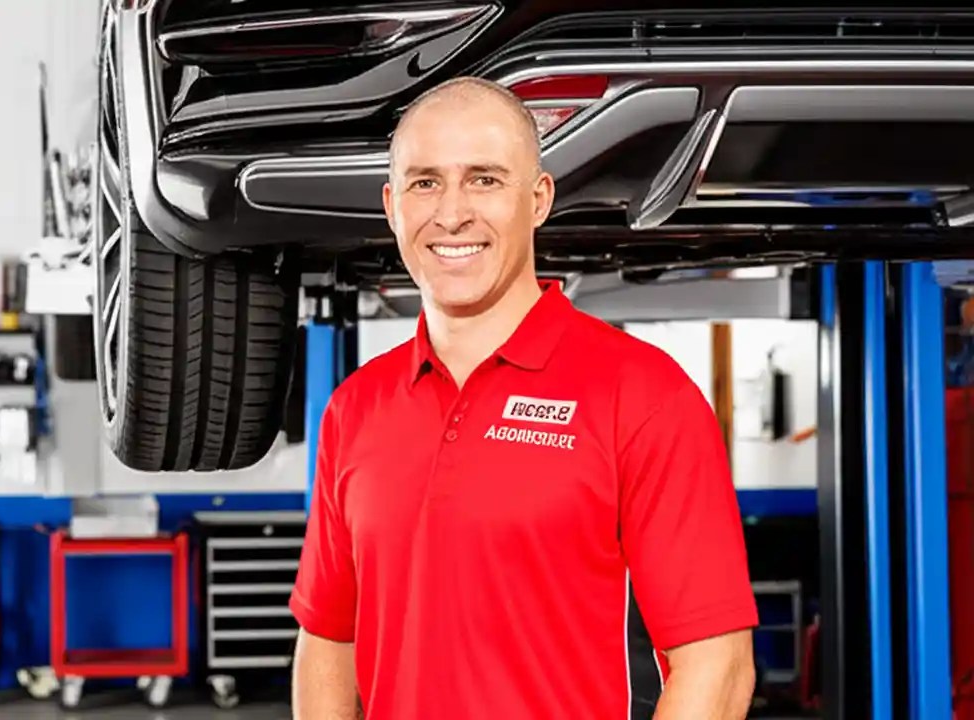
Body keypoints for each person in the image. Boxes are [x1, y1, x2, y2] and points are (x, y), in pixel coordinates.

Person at [289, 76, 758, 719]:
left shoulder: (643, 395)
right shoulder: (355, 408)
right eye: (426, 182)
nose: (452, 213)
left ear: (537, 199)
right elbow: (326, 641)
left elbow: (717, 666)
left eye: (484, 179)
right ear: (392, 205)